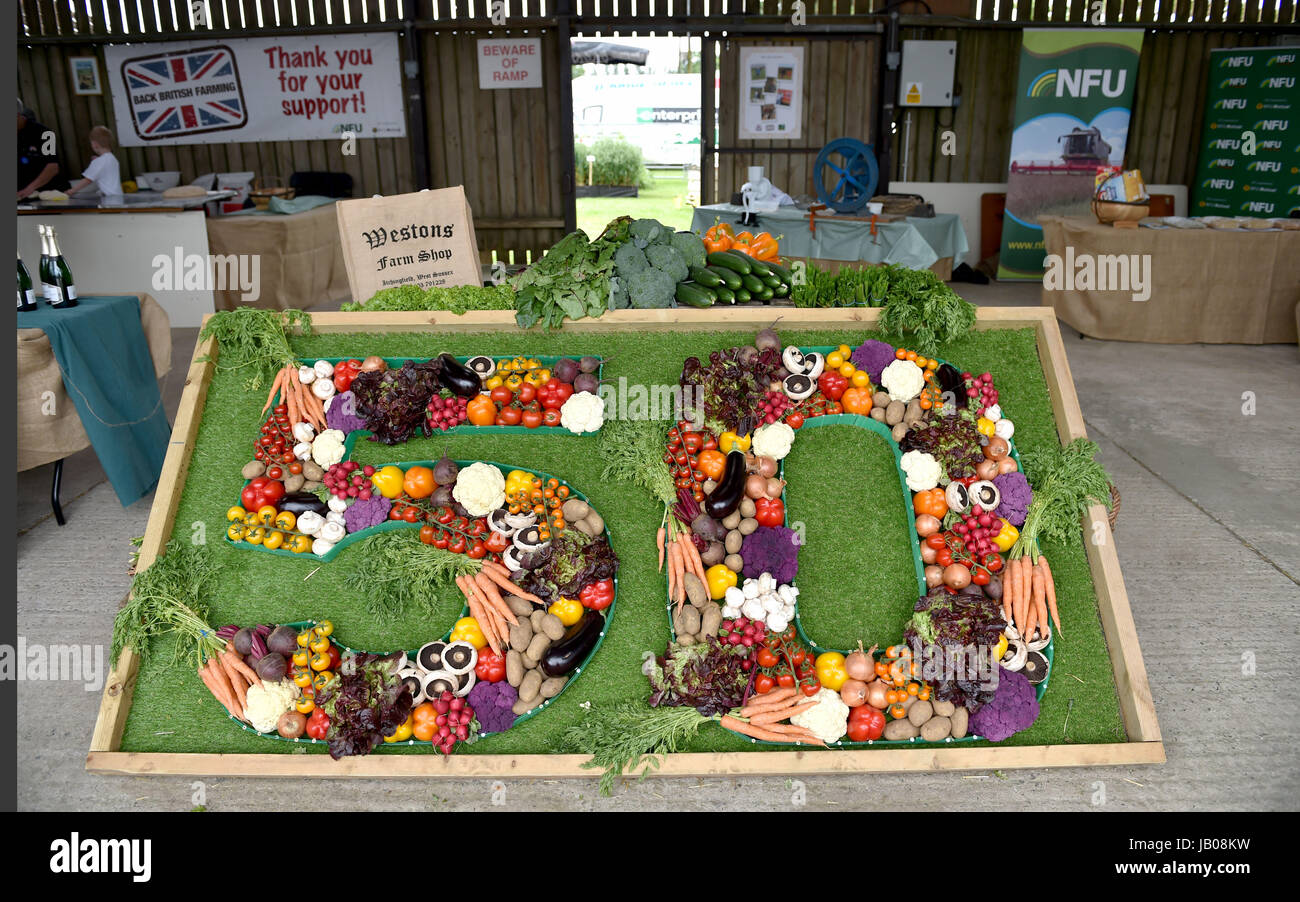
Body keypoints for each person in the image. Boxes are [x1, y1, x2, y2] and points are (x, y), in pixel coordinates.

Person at [17, 99, 64, 200]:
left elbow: (52, 167)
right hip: (21, 195)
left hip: (49, 194)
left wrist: (30, 188)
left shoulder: (46, 134)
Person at [67, 125, 123, 202]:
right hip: (118, 197)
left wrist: (71, 191)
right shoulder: (112, 158)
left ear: (94, 144)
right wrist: (97, 161)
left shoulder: (99, 162)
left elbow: (88, 179)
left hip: (109, 199)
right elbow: (106, 170)